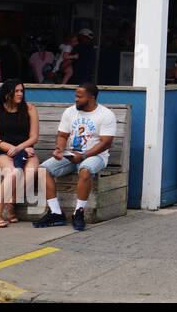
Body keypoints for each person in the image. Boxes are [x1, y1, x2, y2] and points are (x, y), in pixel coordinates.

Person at [32, 83, 116, 232]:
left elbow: (106, 143)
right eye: (75, 96)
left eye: (79, 96)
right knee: (42, 170)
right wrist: (59, 149)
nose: (76, 99)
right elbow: (62, 135)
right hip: (71, 154)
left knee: (85, 170)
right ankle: (56, 213)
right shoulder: (70, 112)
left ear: (91, 97)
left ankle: (79, 213)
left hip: (96, 156)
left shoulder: (106, 114)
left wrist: (83, 155)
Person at [0, 80, 41, 228]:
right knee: (14, 172)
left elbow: (34, 137)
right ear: (6, 94)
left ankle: (11, 204)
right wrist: (14, 148)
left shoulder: (30, 108)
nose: (20, 94)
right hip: (0, 153)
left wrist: (20, 149)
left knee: (32, 171)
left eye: (21, 91)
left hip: (25, 151)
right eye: (16, 91)